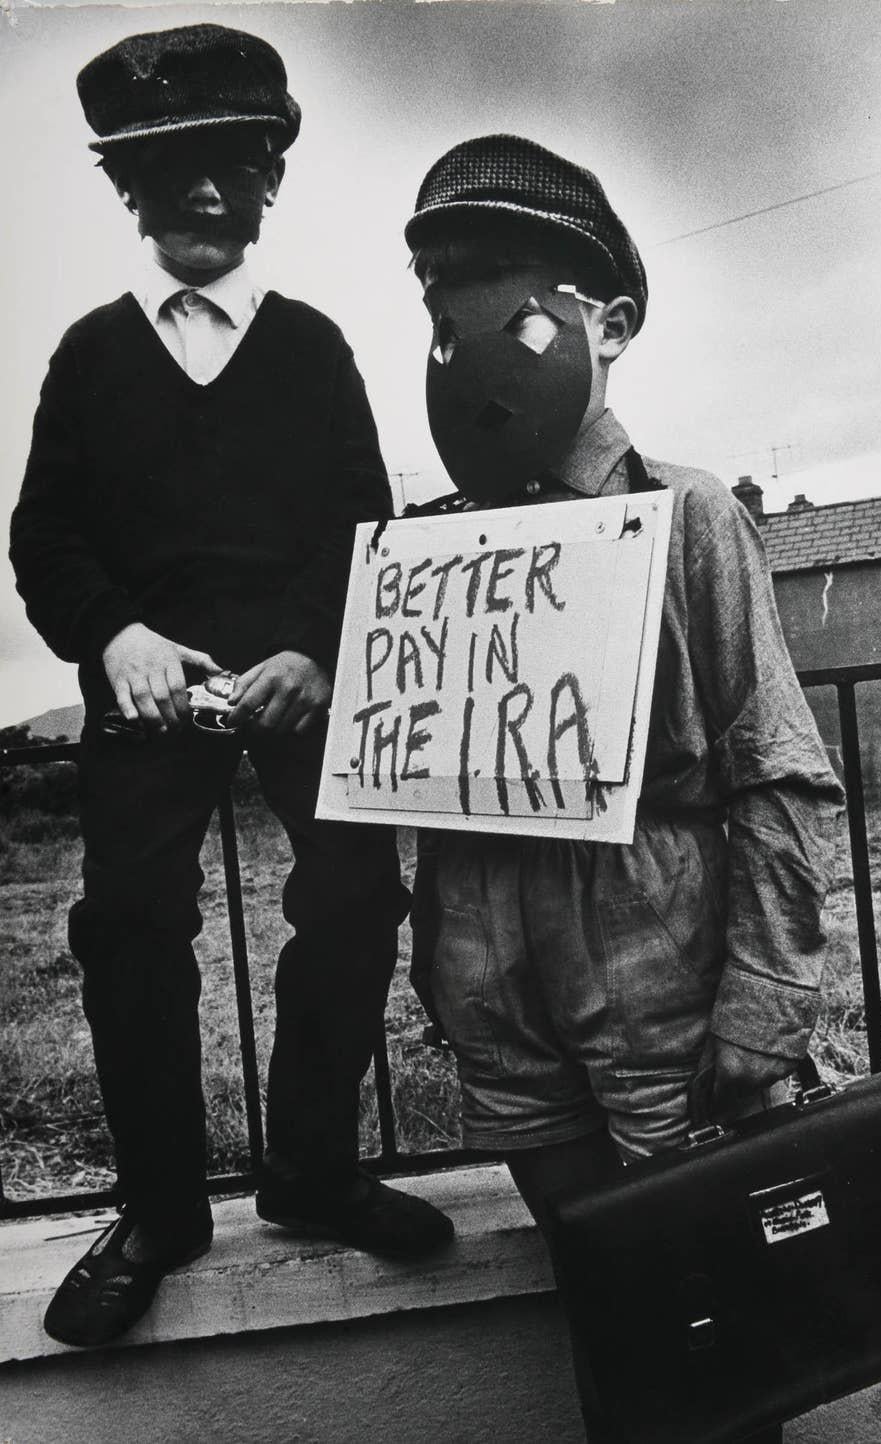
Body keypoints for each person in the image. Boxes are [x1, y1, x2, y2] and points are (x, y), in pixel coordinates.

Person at [9, 23, 452, 1350]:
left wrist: (318, 648)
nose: (207, 188)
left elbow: (358, 522)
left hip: (303, 694)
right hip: (144, 704)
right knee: (134, 927)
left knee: (359, 896)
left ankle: (311, 1166)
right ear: (126, 191)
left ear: (271, 182)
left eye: (235, 161)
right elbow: (46, 538)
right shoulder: (91, 358)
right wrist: (113, 637)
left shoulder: (310, 349)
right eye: (174, 163)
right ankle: (158, 1211)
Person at [403, 135, 845, 1442]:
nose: (464, 321)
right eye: (441, 296)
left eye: (505, 281)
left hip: (663, 1006)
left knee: (712, 1329)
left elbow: (778, 770)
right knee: (610, 1304)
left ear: (611, 317)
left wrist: (761, 1013)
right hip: (512, 1017)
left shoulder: (691, 514)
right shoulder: (437, 547)